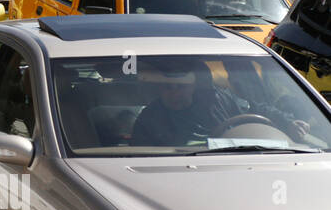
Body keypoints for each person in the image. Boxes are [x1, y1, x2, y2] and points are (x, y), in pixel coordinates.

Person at [132, 60, 309, 147]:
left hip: (236, 162)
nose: (175, 92)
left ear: (193, 86)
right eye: (168, 88)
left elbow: (256, 108)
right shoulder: (149, 118)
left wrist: (287, 123)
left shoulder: (217, 99)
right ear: (159, 90)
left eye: (181, 86)